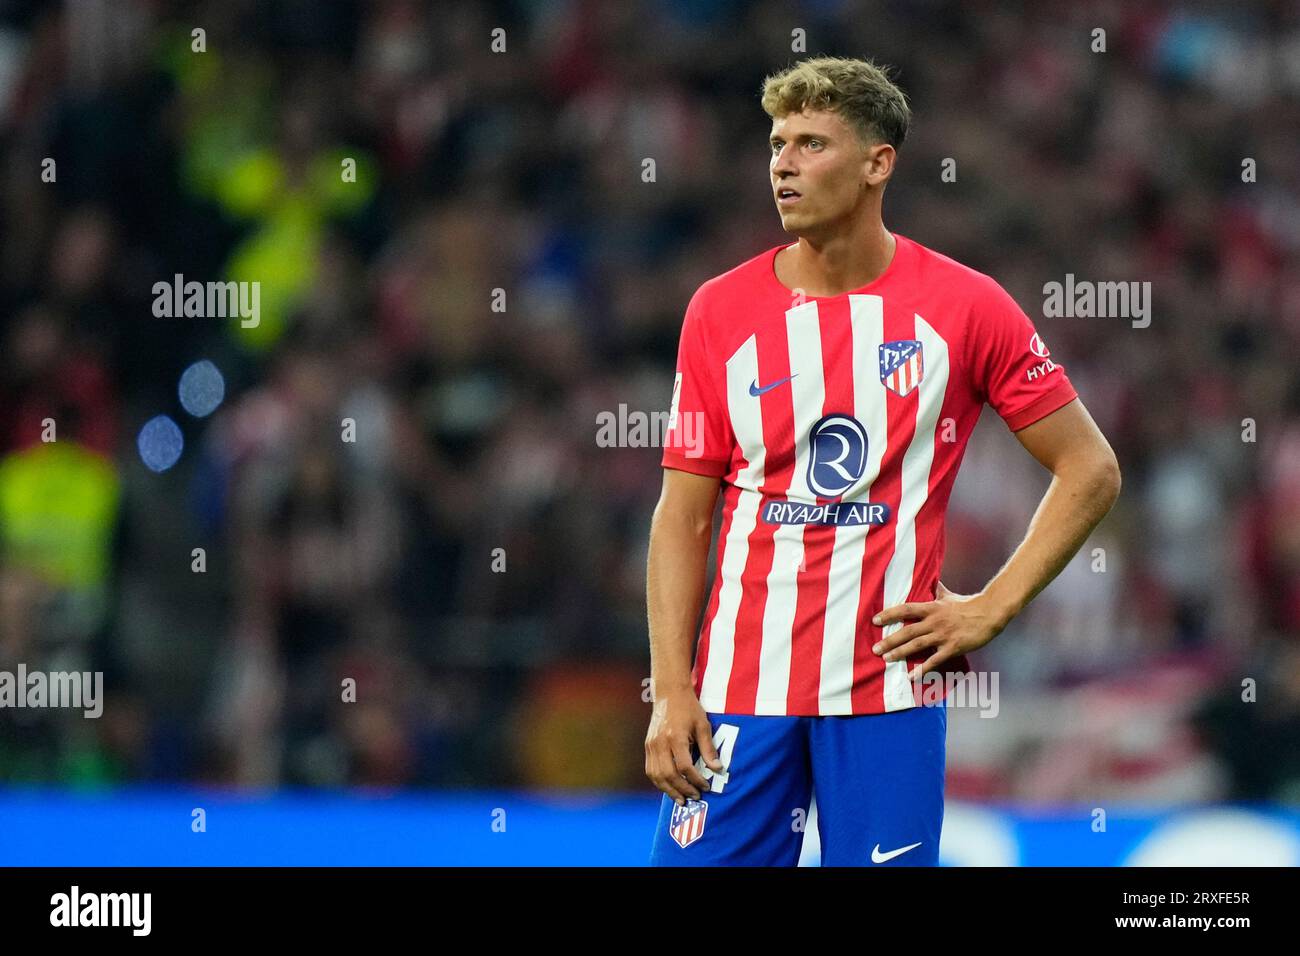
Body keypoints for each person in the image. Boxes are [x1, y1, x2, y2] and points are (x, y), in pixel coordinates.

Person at [644, 56, 1121, 866]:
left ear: (877, 163)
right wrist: (672, 689)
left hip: (888, 692)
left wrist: (992, 606)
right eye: (776, 144)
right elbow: (683, 514)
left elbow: (1091, 469)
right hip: (737, 689)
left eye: (811, 144)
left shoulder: (967, 308)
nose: (784, 165)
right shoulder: (720, 311)